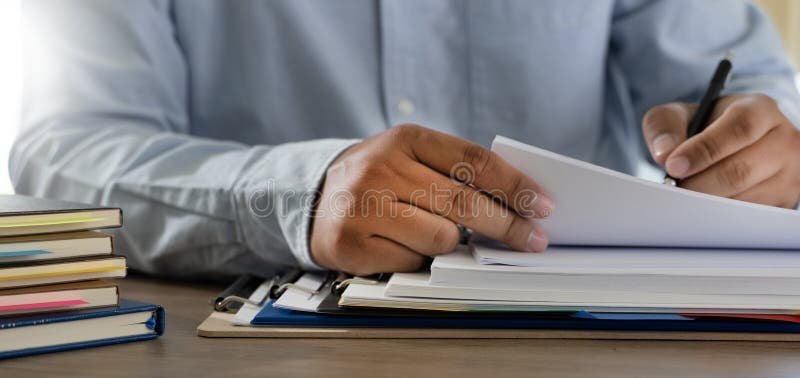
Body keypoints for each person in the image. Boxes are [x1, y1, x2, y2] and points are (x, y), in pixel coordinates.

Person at [12, 0, 800, 278]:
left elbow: (761, 89)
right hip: (252, 339)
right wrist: (301, 194)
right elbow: (64, 149)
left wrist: (758, 152)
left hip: (584, 340)